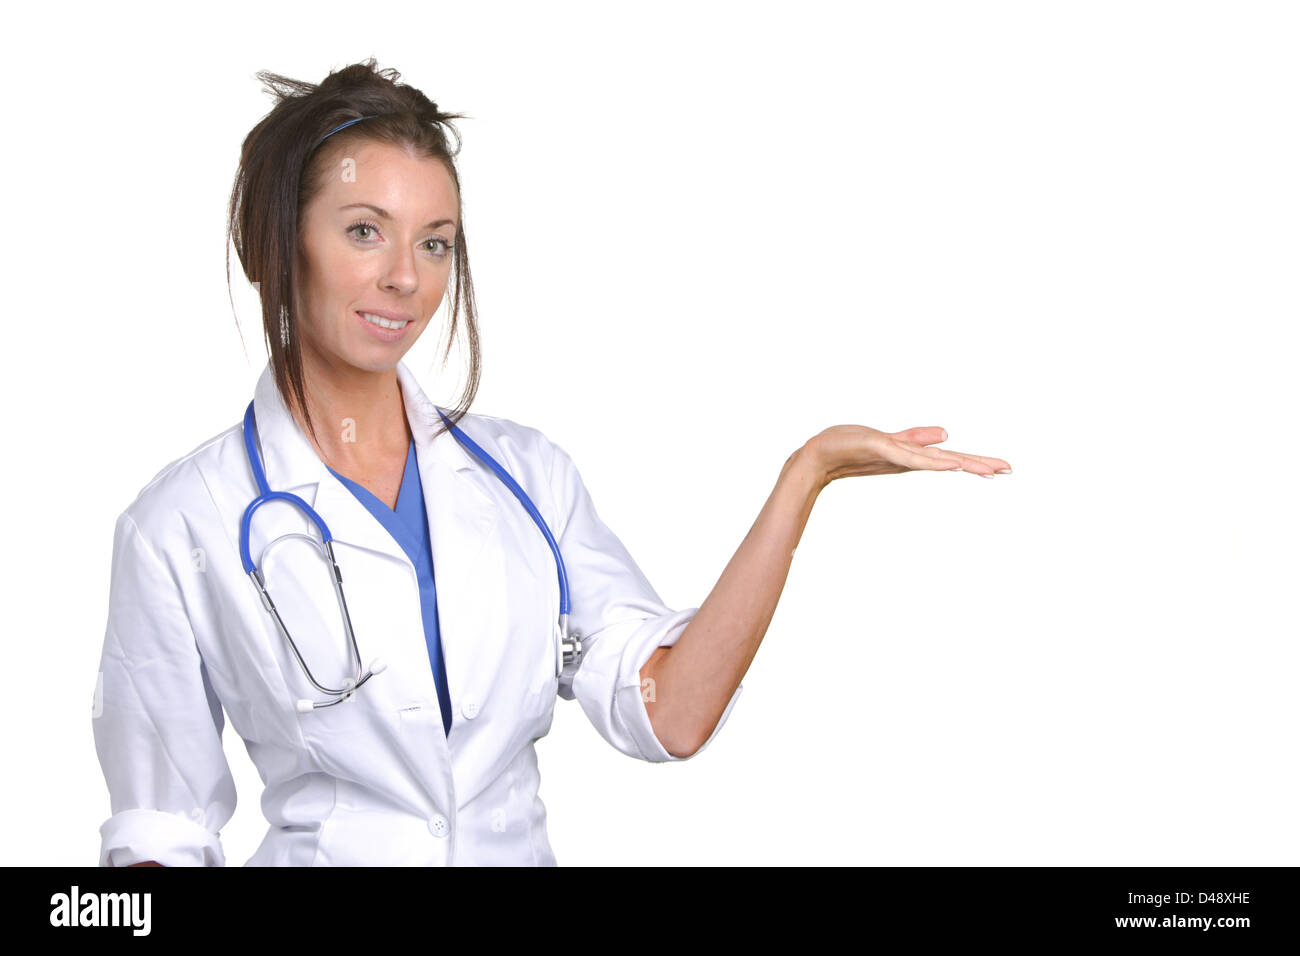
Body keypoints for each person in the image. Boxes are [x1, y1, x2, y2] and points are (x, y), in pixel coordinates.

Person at [92, 59, 1012, 868]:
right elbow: (160, 829)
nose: (407, 278)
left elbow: (670, 712)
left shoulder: (526, 480)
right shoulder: (182, 524)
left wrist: (803, 478)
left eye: (435, 241)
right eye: (364, 231)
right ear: (274, 241)